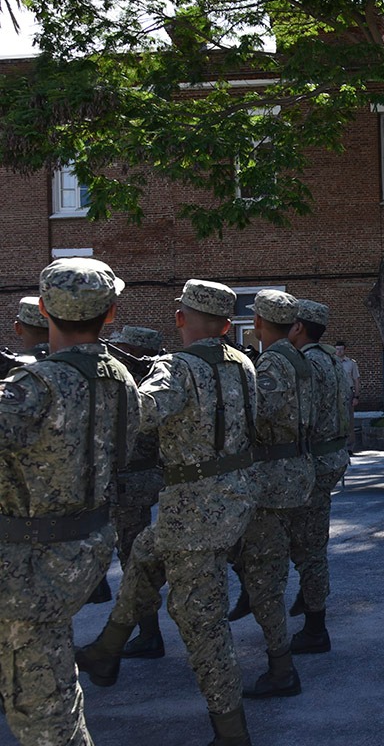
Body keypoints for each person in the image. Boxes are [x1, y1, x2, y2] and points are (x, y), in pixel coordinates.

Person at [76, 279, 256, 746]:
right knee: (144, 552)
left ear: (181, 317)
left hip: (194, 509)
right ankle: (108, 648)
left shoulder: (176, 369)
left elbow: (139, 415)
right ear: (225, 323)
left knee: (200, 619)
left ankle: (232, 731)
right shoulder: (243, 363)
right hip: (232, 497)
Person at [0, 258, 138, 746]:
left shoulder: (34, 386)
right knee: (51, 682)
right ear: (110, 313)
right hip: (87, 545)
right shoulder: (120, 377)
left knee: (40, 710)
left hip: (30, 564)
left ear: (43, 308)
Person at [238, 288, 316, 698]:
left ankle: (281, 669)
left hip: (273, 478)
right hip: (297, 471)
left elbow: (258, 412)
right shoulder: (299, 359)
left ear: (258, 323)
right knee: (282, 559)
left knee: (266, 577)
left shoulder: (270, 362)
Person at [287, 299, 352, 655]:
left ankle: (315, 627)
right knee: (308, 542)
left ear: (298, 328)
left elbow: (302, 416)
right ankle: (308, 599)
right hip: (332, 457)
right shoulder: (330, 359)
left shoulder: (306, 363)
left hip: (314, 462)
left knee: (311, 548)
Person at [104, 325, 167, 659]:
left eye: (124, 348)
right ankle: (147, 632)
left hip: (131, 486)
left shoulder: (139, 389)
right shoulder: (149, 383)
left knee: (133, 560)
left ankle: (148, 634)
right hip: (137, 482)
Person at [334, 341, 360, 449]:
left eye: (341, 349)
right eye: (337, 349)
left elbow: (356, 380)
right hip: (335, 392)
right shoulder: (331, 362)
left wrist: (356, 396)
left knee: (349, 420)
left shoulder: (351, 363)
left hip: (348, 392)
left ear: (345, 350)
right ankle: (337, 446)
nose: (339, 351)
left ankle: (350, 447)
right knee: (335, 420)